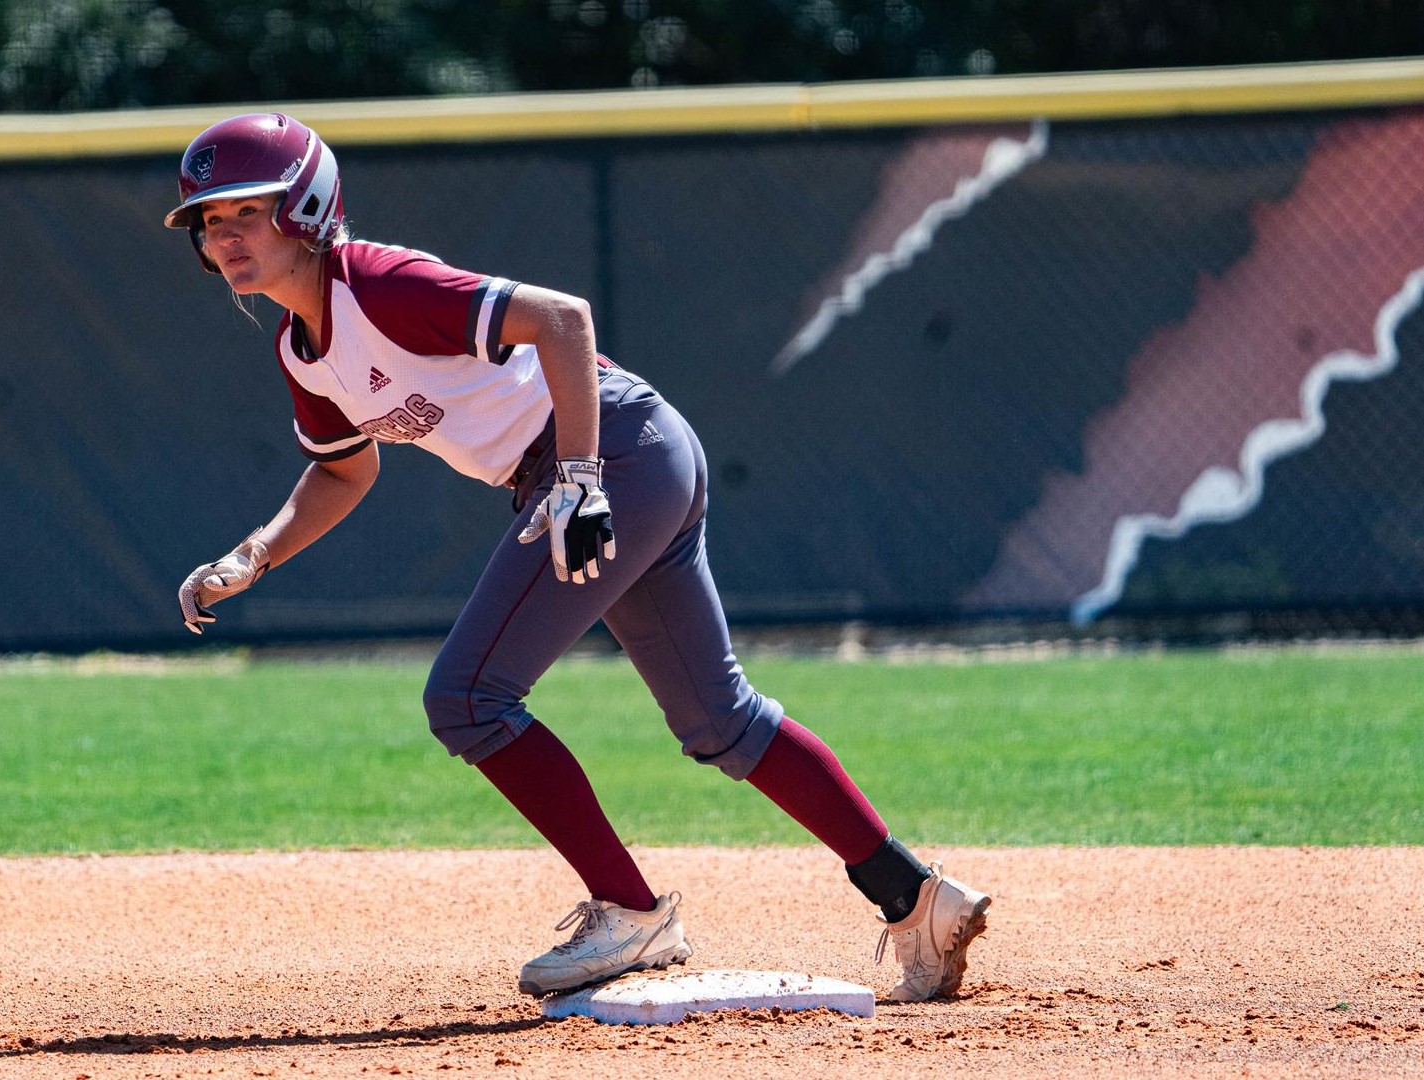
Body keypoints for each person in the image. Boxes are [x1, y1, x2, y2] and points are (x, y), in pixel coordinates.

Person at [166, 112, 991, 1002]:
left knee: (467, 697)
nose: (223, 236)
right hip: (620, 459)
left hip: (609, 456)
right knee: (723, 723)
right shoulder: (303, 346)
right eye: (209, 223)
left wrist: (582, 478)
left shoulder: (380, 283)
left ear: (307, 207)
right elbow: (340, 473)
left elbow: (563, 320)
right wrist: (253, 554)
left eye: (243, 211)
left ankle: (630, 913)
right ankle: (914, 899)